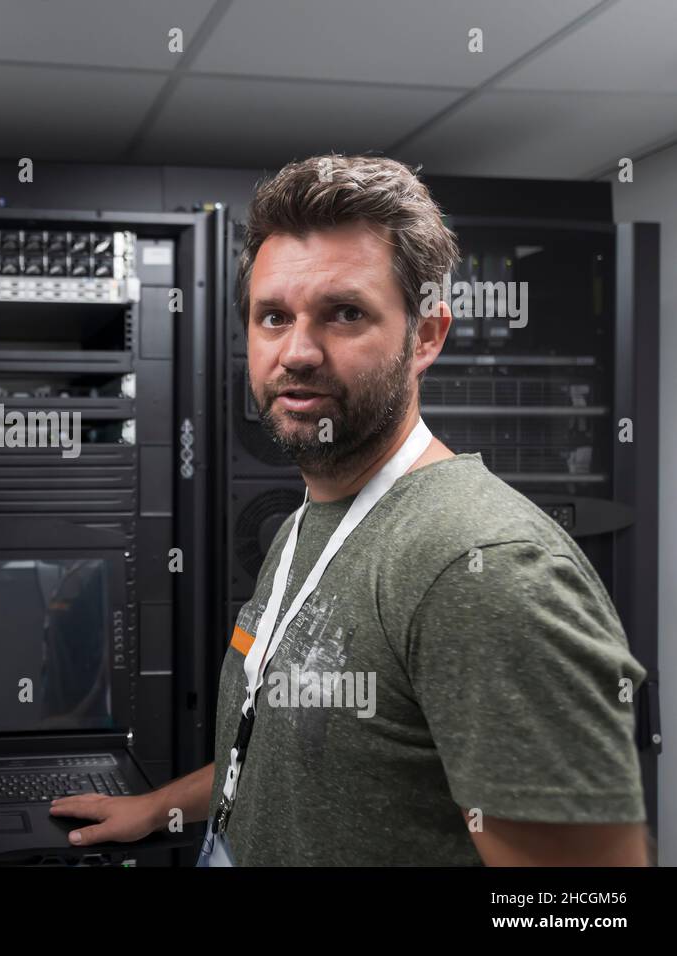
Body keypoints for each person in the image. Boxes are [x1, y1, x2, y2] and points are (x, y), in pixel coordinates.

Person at [49, 154, 649, 865]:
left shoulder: (483, 571)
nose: (297, 352)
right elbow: (297, 758)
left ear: (425, 335)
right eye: (273, 316)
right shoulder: (313, 516)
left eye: (345, 314)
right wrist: (158, 809)